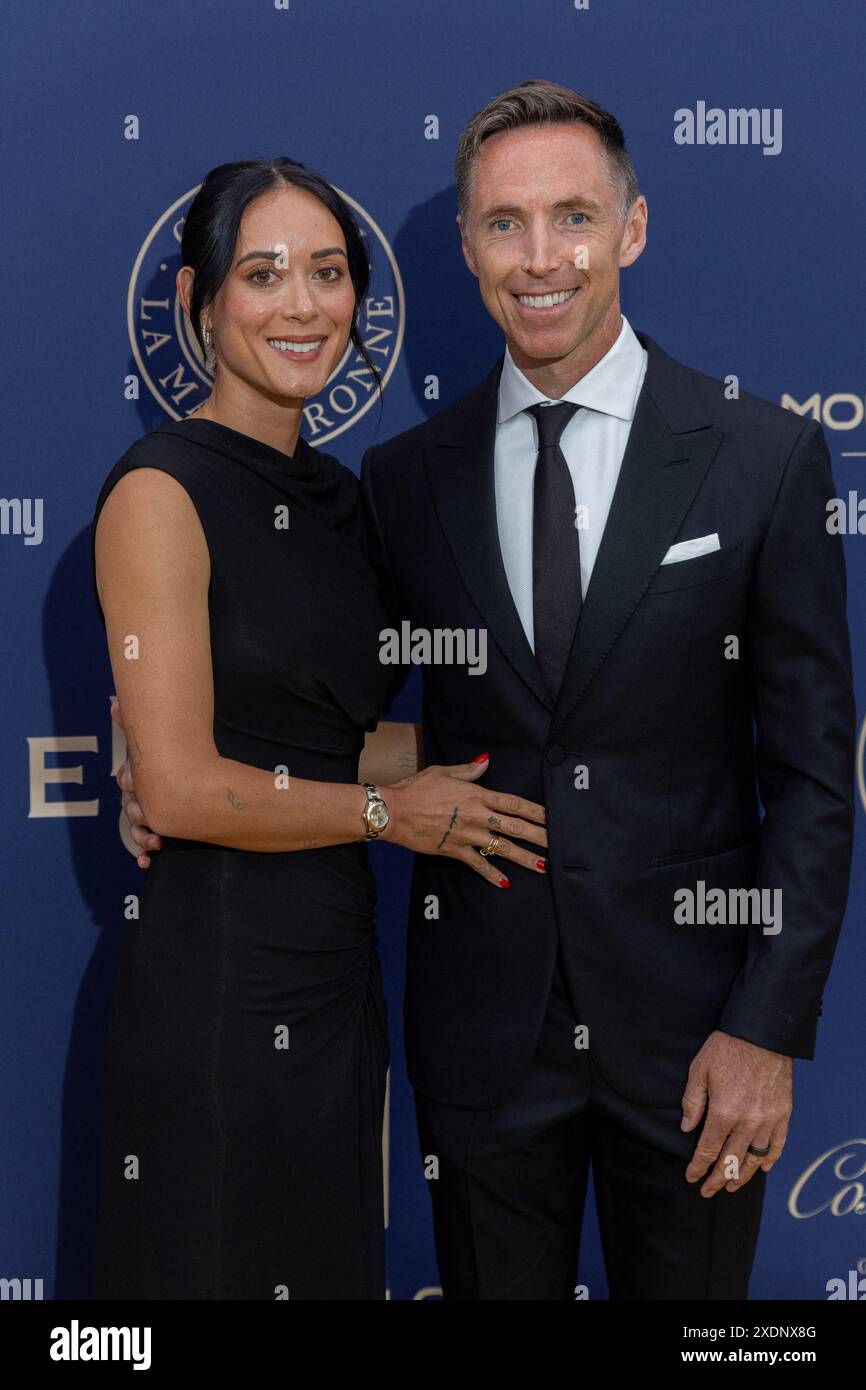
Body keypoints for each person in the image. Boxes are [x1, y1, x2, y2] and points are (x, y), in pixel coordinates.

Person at [122, 81, 855, 1301]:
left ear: (629, 228)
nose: (539, 259)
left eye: (571, 217)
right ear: (464, 248)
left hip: (695, 1044)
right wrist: (158, 739)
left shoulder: (761, 456)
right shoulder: (406, 480)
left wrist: (767, 1028)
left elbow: (816, 773)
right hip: (475, 1047)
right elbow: (307, 676)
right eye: (504, 225)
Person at [91, 156, 547, 1301]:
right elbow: (187, 788)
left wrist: (544, 748)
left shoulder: (346, 499)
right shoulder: (158, 492)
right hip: (219, 979)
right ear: (200, 300)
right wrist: (395, 813)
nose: (303, 304)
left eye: (328, 272)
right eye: (264, 273)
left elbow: (332, 743)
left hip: (334, 980)